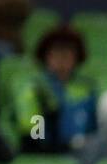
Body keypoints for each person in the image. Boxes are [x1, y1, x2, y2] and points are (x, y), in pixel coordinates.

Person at [14, 25, 98, 155]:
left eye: (67, 54)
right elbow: (33, 131)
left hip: (81, 152)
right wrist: (45, 146)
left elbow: (93, 127)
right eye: (56, 54)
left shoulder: (87, 88)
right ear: (46, 57)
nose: (62, 60)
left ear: (76, 58)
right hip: (43, 151)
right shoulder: (34, 86)